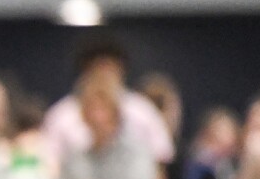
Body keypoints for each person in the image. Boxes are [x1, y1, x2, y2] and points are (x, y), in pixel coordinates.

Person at [42, 36, 175, 171]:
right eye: (97, 67)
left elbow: (160, 160)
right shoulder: (61, 116)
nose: (104, 75)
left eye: (109, 67)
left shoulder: (142, 111)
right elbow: (49, 163)